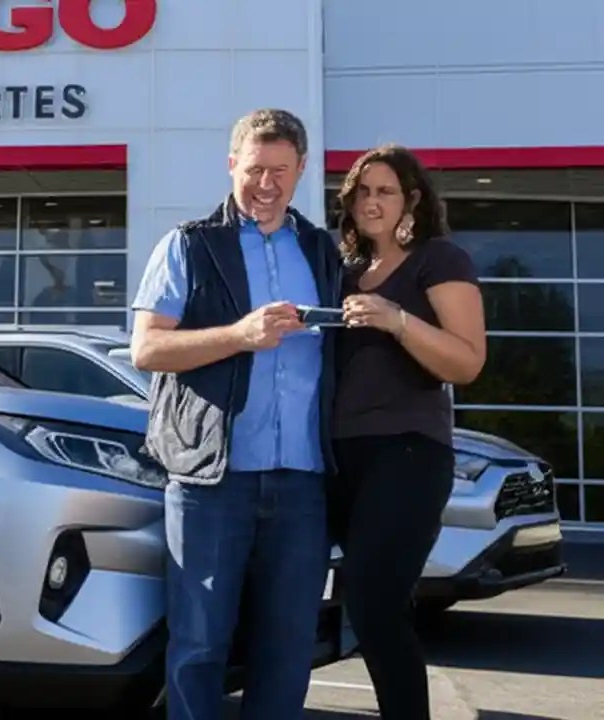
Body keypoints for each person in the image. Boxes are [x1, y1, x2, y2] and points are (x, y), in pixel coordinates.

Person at [130, 108, 342, 720]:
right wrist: (239, 334)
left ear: (302, 169)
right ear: (231, 166)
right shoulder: (189, 244)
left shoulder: (321, 251)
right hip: (209, 483)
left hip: (303, 485)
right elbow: (147, 349)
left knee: (288, 649)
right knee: (199, 647)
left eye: (280, 169)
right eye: (254, 169)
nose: (266, 184)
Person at [329, 144, 486, 719]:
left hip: (409, 454)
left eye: (385, 190)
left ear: (411, 199)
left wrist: (397, 321)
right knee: (331, 597)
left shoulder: (437, 259)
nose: (372, 202)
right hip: (337, 458)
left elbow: (467, 362)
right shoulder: (344, 273)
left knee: (373, 602)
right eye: (362, 192)